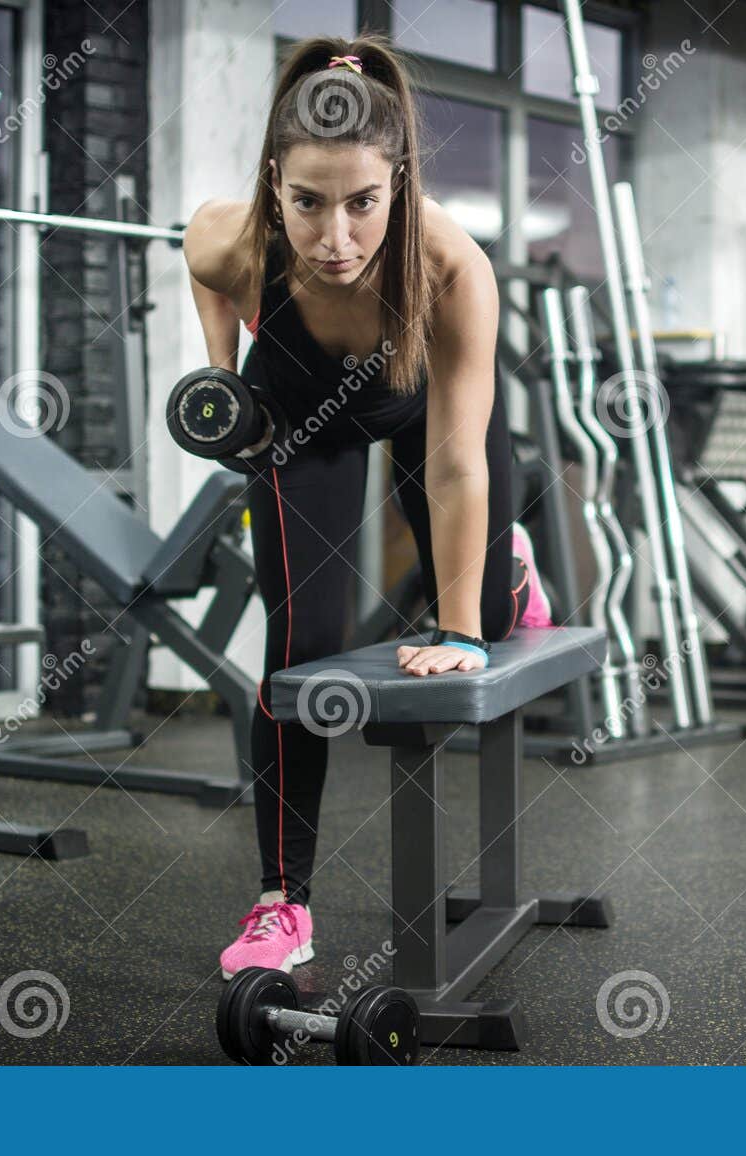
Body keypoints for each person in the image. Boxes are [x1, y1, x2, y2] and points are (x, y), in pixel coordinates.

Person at [182, 35, 554, 979]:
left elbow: (459, 463)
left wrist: (462, 630)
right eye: (307, 203)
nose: (335, 239)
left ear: (399, 183)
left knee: (495, 620)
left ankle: (508, 575)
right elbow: (202, 263)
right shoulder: (232, 240)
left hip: (426, 417)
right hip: (302, 418)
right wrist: (224, 375)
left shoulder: (453, 270)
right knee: (299, 647)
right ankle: (282, 904)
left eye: (363, 204)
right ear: (275, 184)